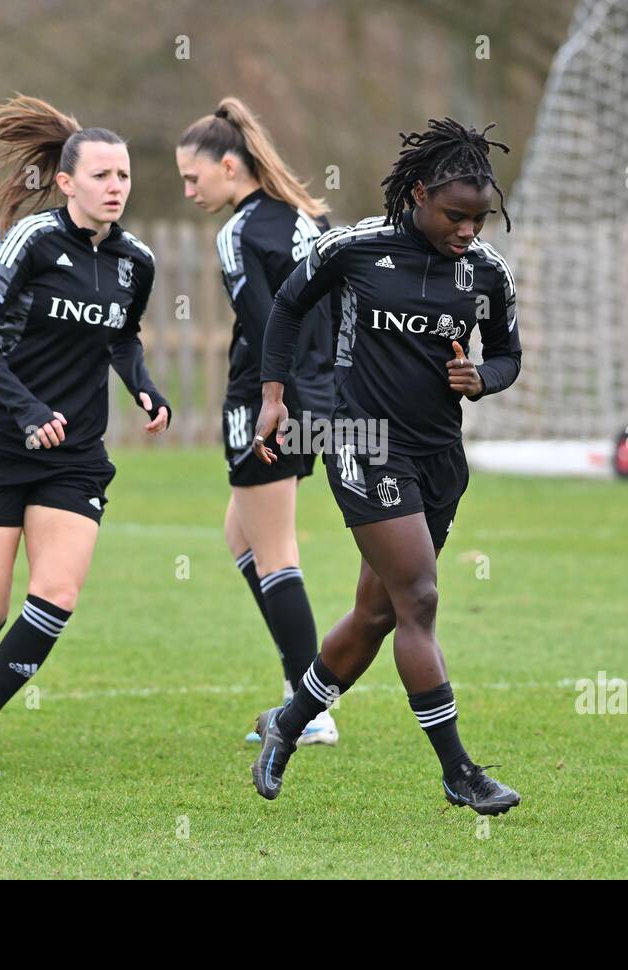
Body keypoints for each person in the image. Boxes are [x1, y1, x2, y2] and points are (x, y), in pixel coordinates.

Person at [249, 118, 524, 815]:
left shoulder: (485, 272)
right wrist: (275, 396)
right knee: (420, 600)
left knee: (376, 614)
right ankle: (459, 770)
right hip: (363, 440)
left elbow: (508, 355)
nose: (468, 230)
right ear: (420, 195)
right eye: (455, 216)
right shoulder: (355, 249)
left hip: (439, 456)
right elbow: (286, 308)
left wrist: (481, 379)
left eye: (479, 219)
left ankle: (288, 724)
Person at [0, 95, 171, 776]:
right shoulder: (33, 241)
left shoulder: (136, 262)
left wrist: (143, 386)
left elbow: (122, 337)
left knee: (56, 593)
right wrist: (27, 409)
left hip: (76, 454)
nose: (116, 187)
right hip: (0, 442)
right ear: (65, 181)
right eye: (102, 176)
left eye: (123, 176)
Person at [175, 97, 338, 745]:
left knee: (274, 552)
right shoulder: (309, 217)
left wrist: (273, 401)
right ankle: (299, 689)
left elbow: (271, 323)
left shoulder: (240, 231)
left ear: (231, 165)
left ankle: (309, 709)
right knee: (241, 538)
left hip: (268, 401)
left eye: (194, 177)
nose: (189, 189)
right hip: (319, 397)